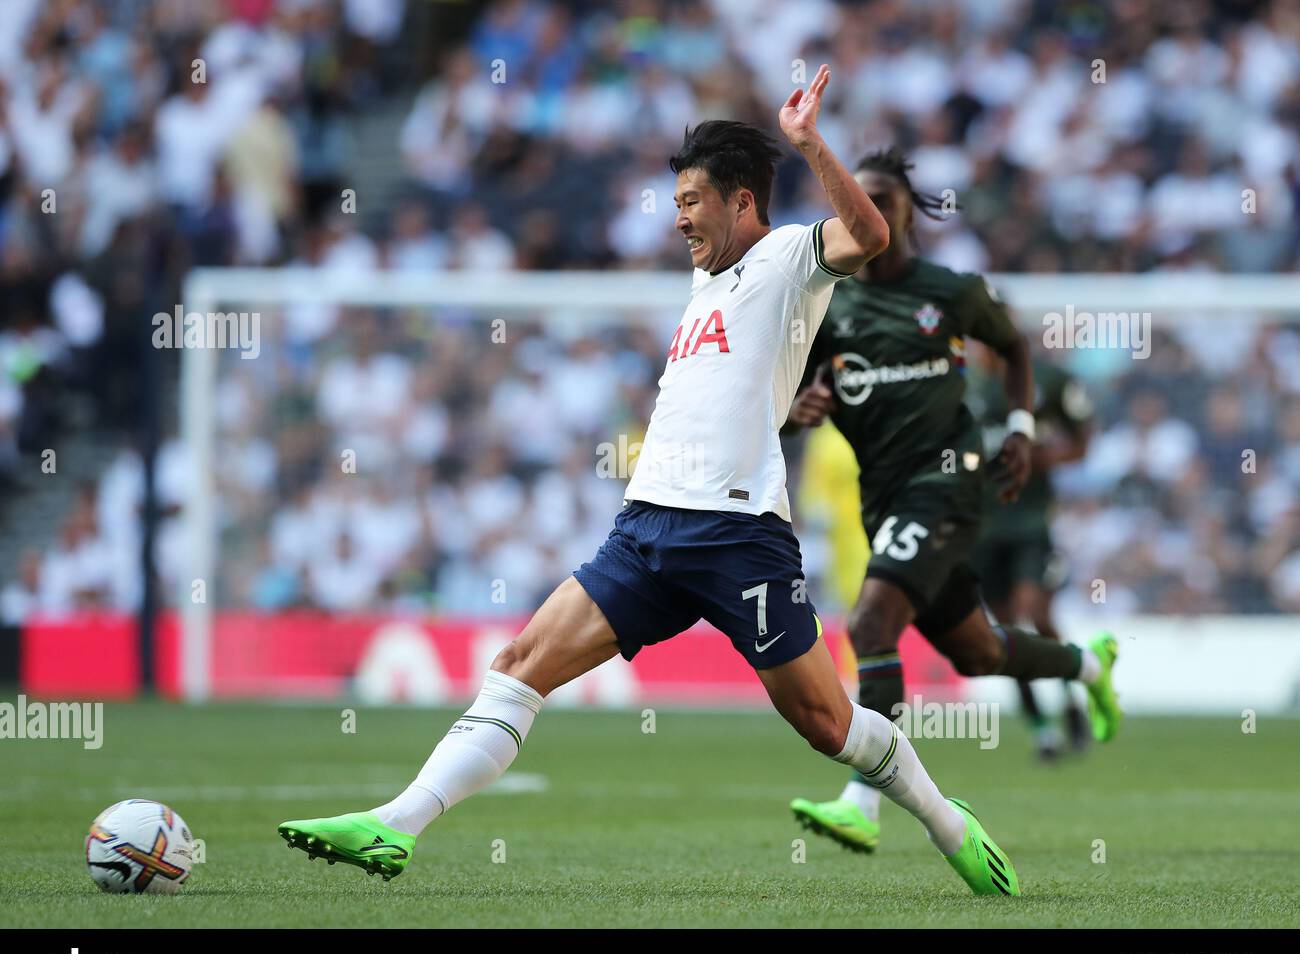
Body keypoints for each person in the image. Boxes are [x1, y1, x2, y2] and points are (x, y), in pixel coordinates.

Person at [280, 68, 1021, 896]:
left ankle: (946, 821)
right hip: (646, 530)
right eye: (676, 201)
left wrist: (809, 141)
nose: (678, 217)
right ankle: (397, 824)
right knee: (521, 661)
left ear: (742, 202)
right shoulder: (706, 279)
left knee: (824, 721)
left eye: (692, 201)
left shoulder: (787, 256)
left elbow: (871, 235)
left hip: (739, 536)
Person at [784, 148, 1120, 855]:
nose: (869, 207)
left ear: (909, 213)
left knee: (871, 623)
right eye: (856, 198)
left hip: (950, 481)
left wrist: (1024, 429)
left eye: (884, 197)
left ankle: (861, 802)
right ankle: (1089, 666)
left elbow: (1016, 347)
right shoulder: (827, 309)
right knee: (980, 652)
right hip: (886, 500)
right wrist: (800, 408)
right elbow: (788, 406)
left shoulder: (953, 291)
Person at [967, 344, 1095, 759]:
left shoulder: (1045, 380)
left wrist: (1043, 458)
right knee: (1004, 634)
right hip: (983, 530)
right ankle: (1041, 727)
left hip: (1030, 524)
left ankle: (1073, 699)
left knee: (1035, 615)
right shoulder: (964, 388)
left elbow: (1082, 438)